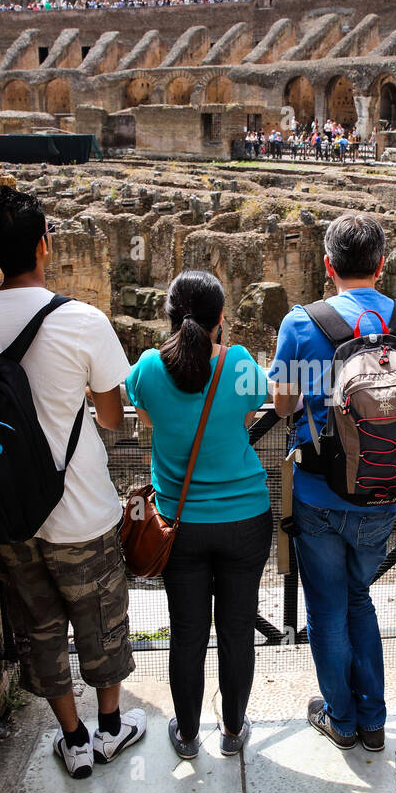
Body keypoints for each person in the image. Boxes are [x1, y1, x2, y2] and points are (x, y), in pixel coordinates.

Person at [0, 187, 146, 780]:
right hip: (80, 505)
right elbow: (113, 417)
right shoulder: (83, 321)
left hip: (7, 511)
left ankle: (74, 738)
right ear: (44, 246)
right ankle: (111, 729)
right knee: (101, 617)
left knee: (40, 626)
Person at [270, 213, 396, 752]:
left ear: (327, 266)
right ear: (381, 265)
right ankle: (373, 720)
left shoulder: (302, 323)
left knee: (326, 608)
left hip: (319, 492)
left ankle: (340, 718)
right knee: (359, 597)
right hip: (387, 488)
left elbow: (282, 403)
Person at [126, 271, 273, 760]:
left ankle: (187, 735)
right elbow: (253, 412)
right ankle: (233, 730)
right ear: (220, 320)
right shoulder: (240, 364)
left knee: (187, 632)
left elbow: (142, 414)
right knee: (236, 629)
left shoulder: (148, 367)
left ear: (169, 317)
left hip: (179, 524)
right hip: (246, 518)